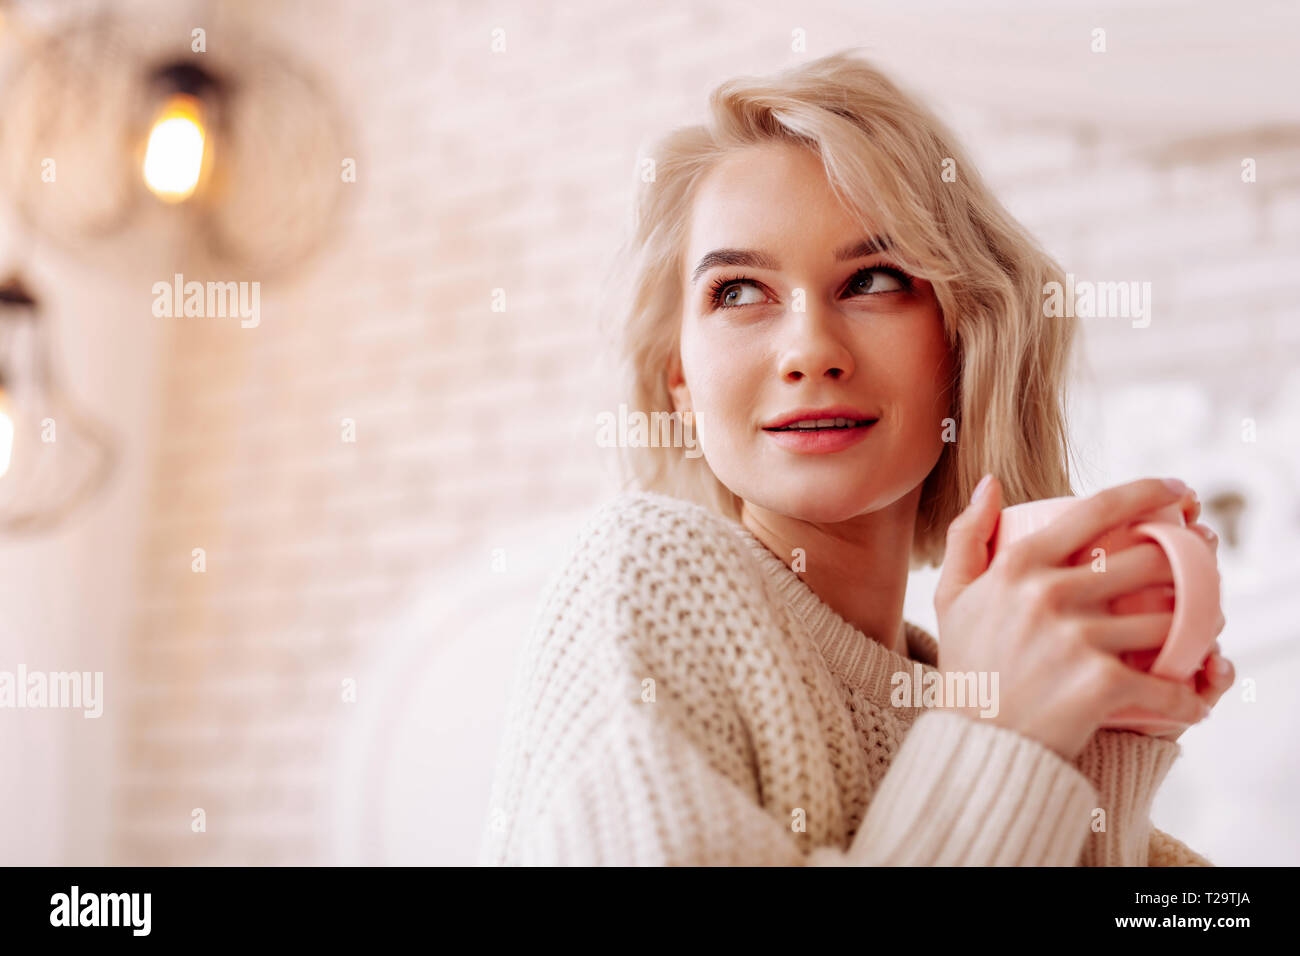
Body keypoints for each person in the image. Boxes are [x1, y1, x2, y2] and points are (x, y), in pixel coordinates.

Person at [479, 49, 1231, 866]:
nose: (809, 351)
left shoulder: (980, 679)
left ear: (964, 342)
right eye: (737, 291)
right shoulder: (644, 571)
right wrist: (1000, 736)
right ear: (682, 386)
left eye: (872, 279)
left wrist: (1100, 740)